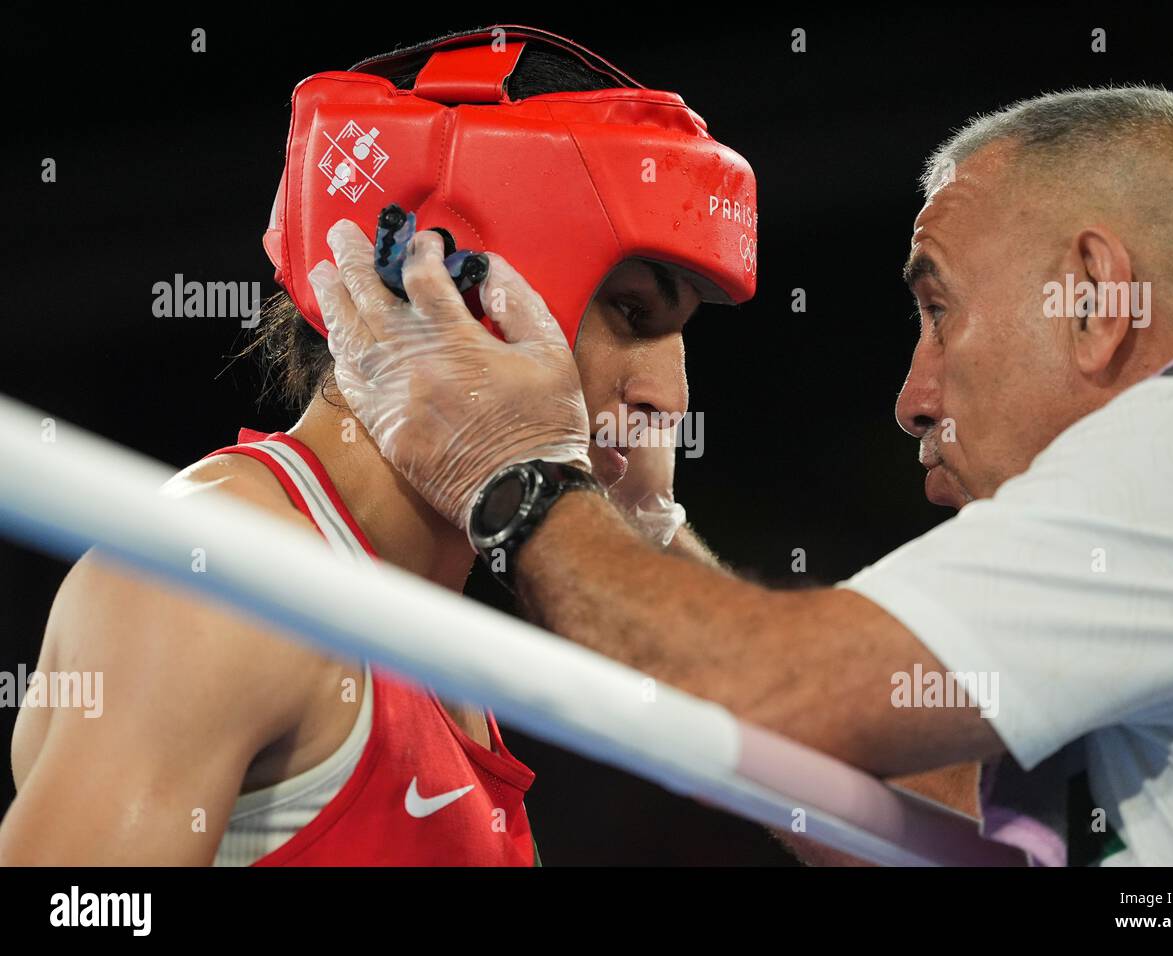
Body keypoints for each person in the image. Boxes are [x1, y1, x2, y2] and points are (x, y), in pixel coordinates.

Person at [316, 85, 1173, 865]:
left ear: (1092, 296)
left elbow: (763, 693)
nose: (913, 396)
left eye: (939, 310)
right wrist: (646, 531)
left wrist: (515, 478)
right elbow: (929, 808)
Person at [0, 35, 713, 867]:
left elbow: (782, 714)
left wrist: (642, 547)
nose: (672, 396)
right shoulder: (220, 575)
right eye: (632, 314)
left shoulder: (433, 644)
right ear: (453, 279)